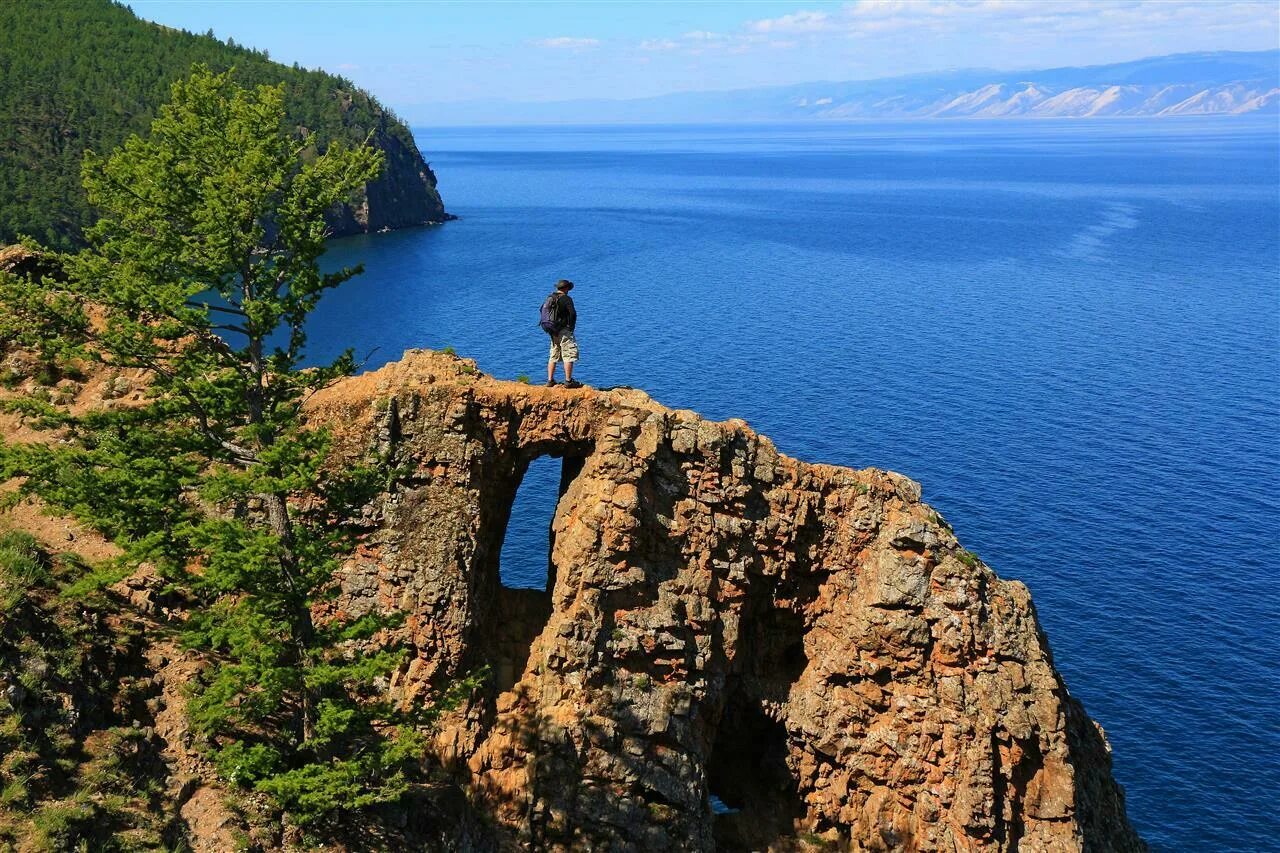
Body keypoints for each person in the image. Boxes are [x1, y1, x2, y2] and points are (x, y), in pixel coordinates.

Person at [543, 279, 581, 388]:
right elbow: (572, 313)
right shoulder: (566, 298)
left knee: (553, 354)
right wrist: (571, 327)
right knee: (568, 353)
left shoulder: (551, 297)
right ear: (566, 288)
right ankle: (568, 381)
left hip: (553, 331)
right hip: (564, 330)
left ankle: (550, 380)